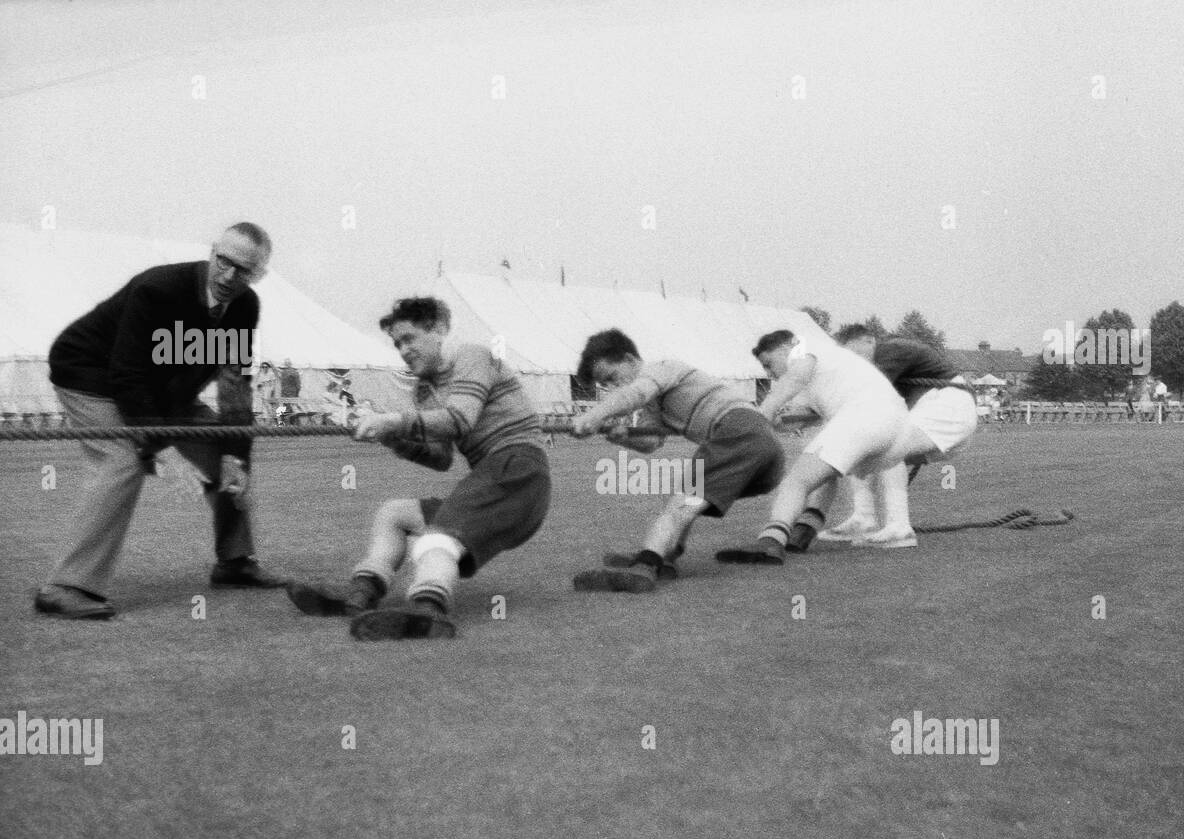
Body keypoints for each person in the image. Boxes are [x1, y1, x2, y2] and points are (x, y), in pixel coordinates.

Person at [34, 222, 284, 620]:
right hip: (93, 376)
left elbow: (235, 383)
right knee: (121, 461)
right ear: (212, 252)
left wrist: (236, 454)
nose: (229, 277)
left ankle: (234, 562)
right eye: (224, 262)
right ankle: (65, 586)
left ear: (259, 275)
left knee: (228, 448)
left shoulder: (245, 306)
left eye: (244, 271)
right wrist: (161, 449)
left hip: (164, 390)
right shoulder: (159, 289)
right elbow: (127, 375)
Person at [284, 297, 551, 640]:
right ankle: (361, 593)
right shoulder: (424, 390)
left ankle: (427, 610)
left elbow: (458, 419)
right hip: (495, 477)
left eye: (410, 338)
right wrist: (389, 437)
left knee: (438, 539)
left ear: (438, 330)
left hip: (518, 469)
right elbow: (440, 458)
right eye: (397, 344)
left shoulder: (473, 356)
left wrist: (393, 421)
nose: (404, 350)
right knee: (394, 514)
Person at [716, 328, 974, 566]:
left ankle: (772, 542)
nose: (770, 373)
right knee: (839, 463)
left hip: (907, 411)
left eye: (769, 364)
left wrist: (762, 416)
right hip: (893, 419)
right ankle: (842, 523)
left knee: (797, 480)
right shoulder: (832, 364)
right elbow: (815, 407)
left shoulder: (803, 349)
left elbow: (794, 380)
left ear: (786, 348)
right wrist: (787, 419)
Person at [566, 329, 785, 592]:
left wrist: (594, 415)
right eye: (607, 385)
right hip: (764, 451)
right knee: (683, 499)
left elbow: (634, 394)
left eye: (612, 377)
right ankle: (663, 557)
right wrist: (621, 437)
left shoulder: (662, 369)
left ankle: (645, 566)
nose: (614, 387)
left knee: (681, 504)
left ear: (630, 359)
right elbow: (651, 441)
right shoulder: (654, 403)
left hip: (737, 430)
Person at [817, 328, 976, 548]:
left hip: (948, 406)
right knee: (859, 451)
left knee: (888, 447)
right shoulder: (880, 362)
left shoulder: (891, 349)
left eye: (853, 354)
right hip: (942, 410)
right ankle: (863, 519)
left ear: (869, 341)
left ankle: (900, 528)